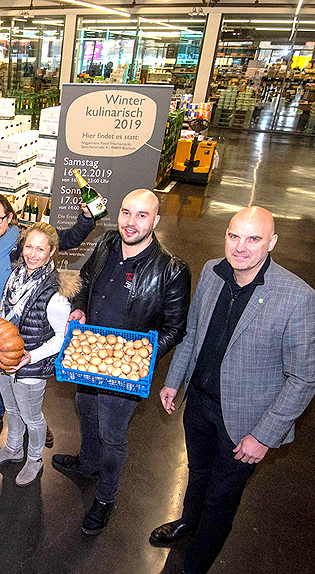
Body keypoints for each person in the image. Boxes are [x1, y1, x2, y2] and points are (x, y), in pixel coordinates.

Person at [151, 206, 315, 574]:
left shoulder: (300, 299)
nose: (240, 248)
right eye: (234, 236)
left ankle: (192, 573)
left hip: (246, 424)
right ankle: (186, 523)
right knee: (197, 473)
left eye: (253, 239)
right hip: (200, 405)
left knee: (220, 501)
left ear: (272, 243)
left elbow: (304, 380)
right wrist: (175, 379)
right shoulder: (212, 271)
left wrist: (264, 435)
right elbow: (193, 334)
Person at [51, 189, 191, 535]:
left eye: (142, 215)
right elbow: (84, 284)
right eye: (127, 212)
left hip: (124, 368)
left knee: (113, 433)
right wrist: (80, 307)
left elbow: (175, 328)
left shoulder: (171, 270)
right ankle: (88, 462)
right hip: (90, 355)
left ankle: (105, 498)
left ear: (155, 221)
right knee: (85, 406)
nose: (131, 221)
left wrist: (137, 355)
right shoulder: (108, 243)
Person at [0, 193, 96, 438]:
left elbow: (65, 238)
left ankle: (35, 421)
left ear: (10, 217)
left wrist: (86, 218)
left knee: (27, 388)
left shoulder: (24, 240)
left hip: (29, 319)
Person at [0, 222, 80, 486]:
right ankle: (13, 448)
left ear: (51, 252)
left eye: (40, 249)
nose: (33, 254)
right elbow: (3, 313)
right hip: (5, 359)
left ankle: (34, 459)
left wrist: (31, 357)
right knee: (11, 409)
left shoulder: (56, 292)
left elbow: (62, 338)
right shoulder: (16, 275)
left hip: (31, 366)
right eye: (28, 247)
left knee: (32, 417)